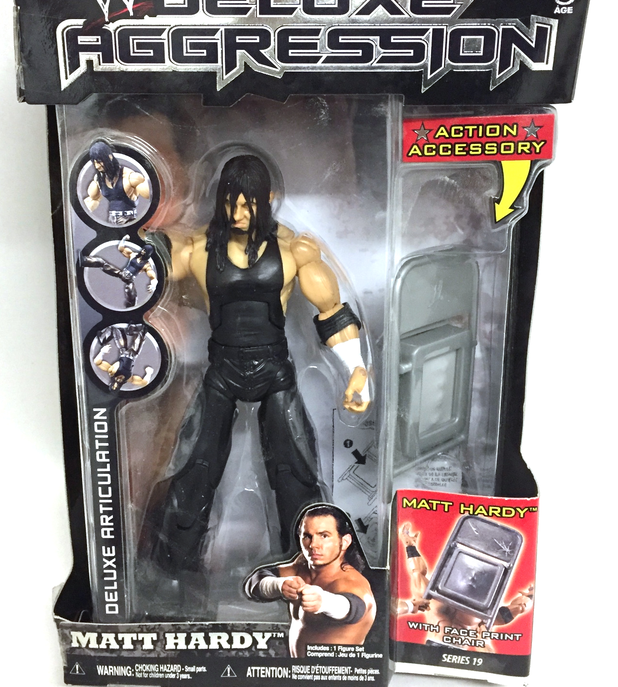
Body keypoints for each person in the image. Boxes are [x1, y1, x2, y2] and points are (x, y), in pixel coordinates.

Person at [146, 153, 370, 575]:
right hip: (222, 371)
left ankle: (309, 570)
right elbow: (148, 263)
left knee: (295, 474)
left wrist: (356, 370)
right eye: (230, 202)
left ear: (268, 199)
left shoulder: (295, 250)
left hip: (274, 372)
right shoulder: (196, 248)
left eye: (248, 204)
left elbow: (332, 311)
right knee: (195, 470)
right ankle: (172, 570)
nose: (238, 213)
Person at [245, 505, 376, 657]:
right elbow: (253, 583)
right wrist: (278, 585)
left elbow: (355, 609)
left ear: (345, 541)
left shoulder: (352, 583)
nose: (313, 545)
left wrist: (324, 601)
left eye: (324, 536)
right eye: (307, 536)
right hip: (298, 669)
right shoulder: (302, 566)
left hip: (335, 672)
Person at [394, 522, 533, 651]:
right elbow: (394, 605)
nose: (471, 576)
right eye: (468, 571)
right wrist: (410, 545)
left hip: (459, 654)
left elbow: (519, 607)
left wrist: (531, 597)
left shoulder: (483, 613)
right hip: (434, 649)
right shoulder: (431, 598)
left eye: (475, 574)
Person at [83, 140, 150, 224]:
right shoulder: (98, 179)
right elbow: (92, 200)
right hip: (112, 221)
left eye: (99, 162)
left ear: (110, 157)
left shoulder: (131, 177)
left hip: (130, 221)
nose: (97, 166)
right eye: (94, 162)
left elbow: (153, 196)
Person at [81, 235, 157, 308]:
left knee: (132, 297)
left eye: (145, 251)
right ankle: (85, 260)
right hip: (122, 273)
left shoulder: (146, 265)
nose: (143, 251)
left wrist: (153, 284)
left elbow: (152, 276)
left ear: (148, 253)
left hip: (129, 280)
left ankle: (130, 309)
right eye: (143, 249)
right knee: (102, 263)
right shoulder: (134, 255)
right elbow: (121, 249)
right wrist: (124, 239)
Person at [94, 324, 154, 392]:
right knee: (141, 334)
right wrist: (149, 373)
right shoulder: (128, 378)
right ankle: (135, 328)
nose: (119, 379)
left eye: (116, 380)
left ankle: (102, 338)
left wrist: (102, 352)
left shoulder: (112, 371)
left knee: (117, 331)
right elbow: (143, 383)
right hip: (133, 354)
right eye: (119, 382)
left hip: (123, 351)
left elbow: (97, 363)